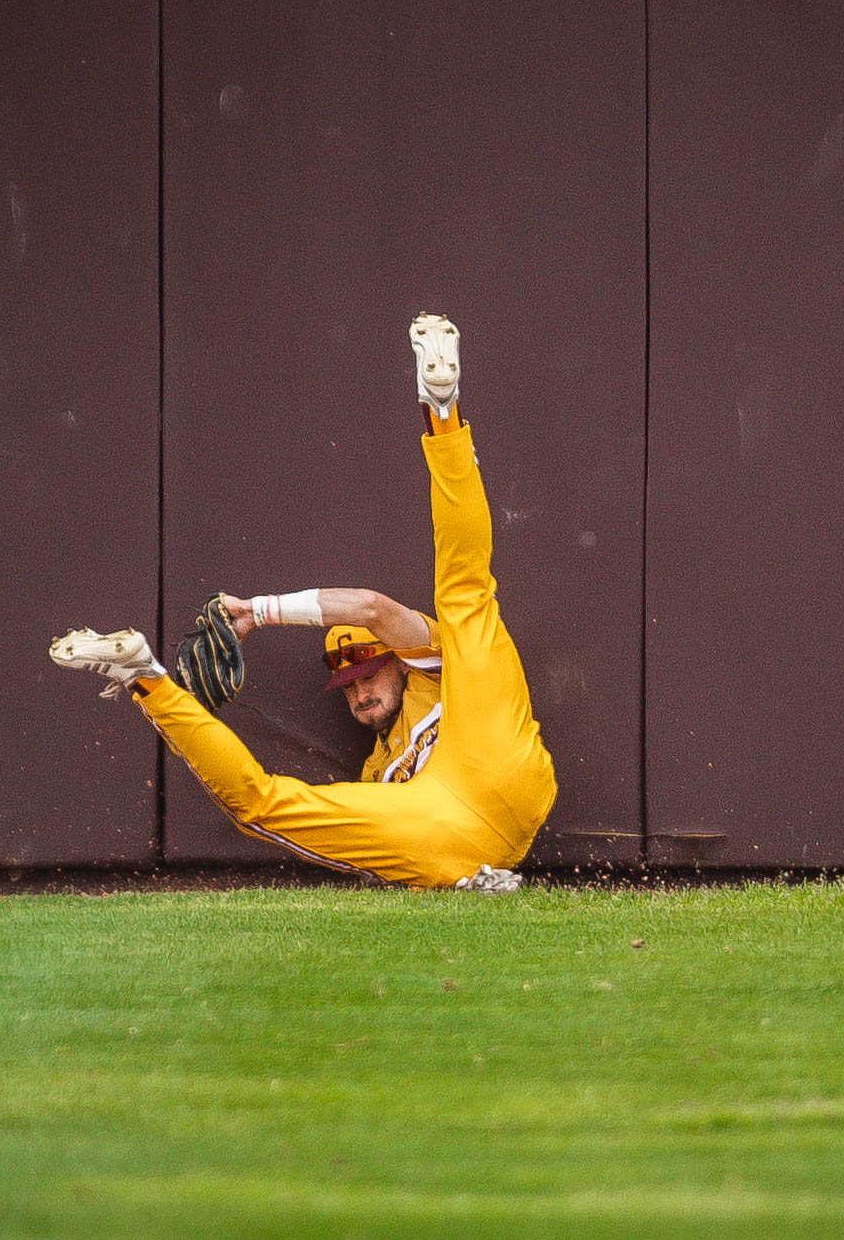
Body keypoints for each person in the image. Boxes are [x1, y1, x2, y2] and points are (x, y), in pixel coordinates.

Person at [49, 314, 555, 892]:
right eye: (350, 684)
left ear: (393, 660)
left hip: (490, 751)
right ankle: (144, 673)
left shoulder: (431, 667)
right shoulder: (376, 774)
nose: (361, 690)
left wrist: (259, 611)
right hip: (445, 821)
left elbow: (369, 608)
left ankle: (443, 411)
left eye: (368, 671)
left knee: (465, 593)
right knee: (263, 802)